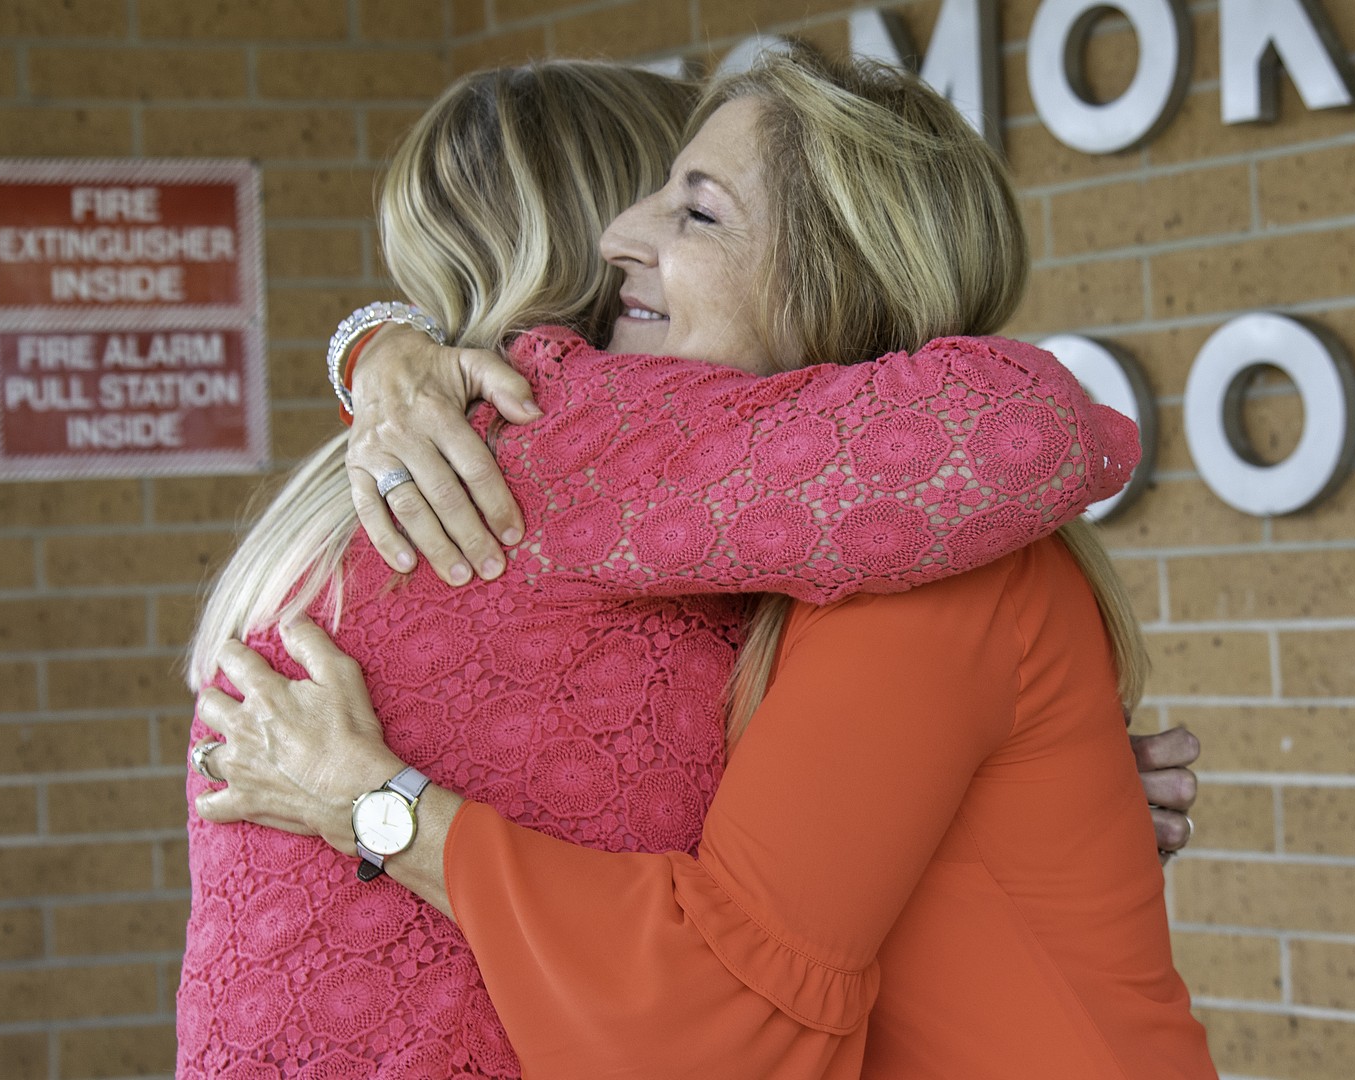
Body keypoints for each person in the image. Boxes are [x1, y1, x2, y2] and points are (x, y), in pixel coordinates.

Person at [193, 50, 1215, 1079]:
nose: (624, 238)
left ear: (835, 275)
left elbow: (734, 1008)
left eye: (699, 212)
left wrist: (379, 806)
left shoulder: (910, 557)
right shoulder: (619, 483)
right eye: (646, 196)